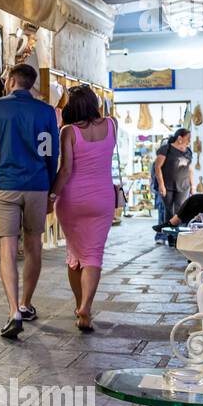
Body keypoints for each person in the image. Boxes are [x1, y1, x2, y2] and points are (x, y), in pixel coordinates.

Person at [0, 63, 59, 340]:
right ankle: (26, 303)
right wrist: (50, 189)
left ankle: (13, 310)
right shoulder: (46, 112)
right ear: (31, 83)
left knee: (7, 249)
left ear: (11, 80)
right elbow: (51, 153)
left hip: (3, 186)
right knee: (34, 244)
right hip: (37, 185)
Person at [49, 86, 116, 332]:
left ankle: (80, 305)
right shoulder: (112, 125)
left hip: (72, 200)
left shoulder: (69, 131)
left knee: (75, 254)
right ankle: (86, 306)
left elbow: (65, 170)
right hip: (103, 199)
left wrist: (52, 194)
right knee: (94, 255)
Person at [154, 128, 194, 236]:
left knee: (179, 211)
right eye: (188, 137)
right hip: (168, 186)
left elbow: (190, 169)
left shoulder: (188, 151)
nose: (190, 140)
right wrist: (161, 185)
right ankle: (167, 235)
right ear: (180, 138)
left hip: (183, 186)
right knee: (168, 211)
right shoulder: (166, 149)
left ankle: (176, 235)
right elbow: (157, 167)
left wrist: (192, 186)